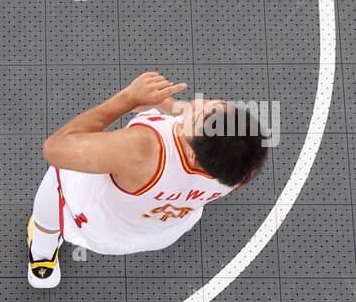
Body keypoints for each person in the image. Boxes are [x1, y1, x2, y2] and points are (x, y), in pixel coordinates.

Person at [27, 72, 269, 286]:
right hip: (159, 231)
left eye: (197, 115)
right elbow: (207, 133)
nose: (196, 103)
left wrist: (127, 100)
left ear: (192, 155)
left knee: (55, 187)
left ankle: (42, 255)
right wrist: (170, 106)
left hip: (99, 227)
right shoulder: (243, 166)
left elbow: (55, 149)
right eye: (215, 105)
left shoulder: (144, 149)